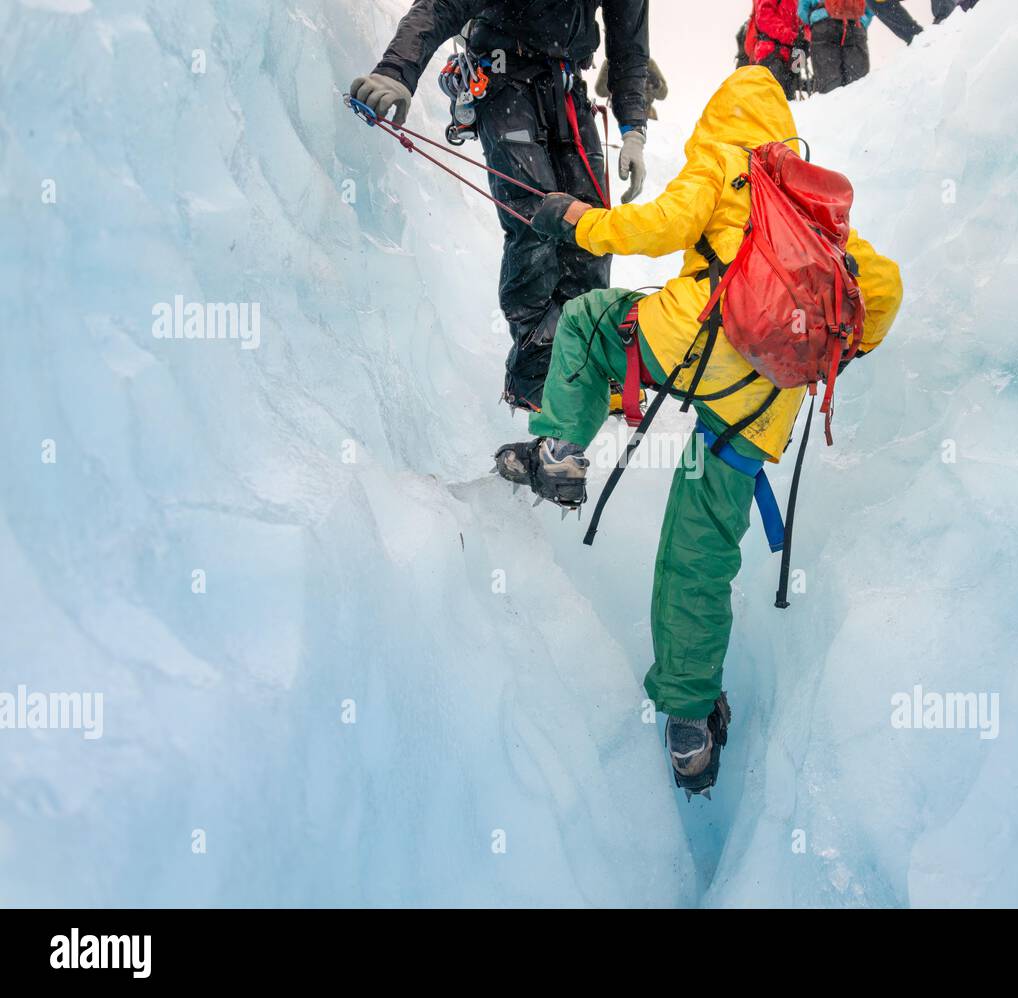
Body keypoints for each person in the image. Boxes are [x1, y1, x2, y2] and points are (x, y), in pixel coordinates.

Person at [493, 67, 903, 794]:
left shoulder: (724, 159)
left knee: (591, 322)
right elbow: (881, 290)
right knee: (700, 551)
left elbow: (660, 228)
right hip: (763, 400)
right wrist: (828, 348)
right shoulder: (811, 209)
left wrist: (576, 218)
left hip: (693, 340)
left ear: (722, 111)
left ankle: (558, 449)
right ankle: (689, 726)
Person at [349, 1, 650, 414]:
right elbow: (442, 7)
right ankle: (536, 378)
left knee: (592, 229)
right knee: (538, 221)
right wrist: (395, 72)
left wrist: (633, 129)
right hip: (503, 78)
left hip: (566, 87)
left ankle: (586, 366)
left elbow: (629, 44)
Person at [799, 0, 873, 94]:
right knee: (858, 84)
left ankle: (834, 106)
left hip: (824, 26)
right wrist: (863, 22)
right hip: (855, 25)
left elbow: (802, 11)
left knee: (829, 85)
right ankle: (859, 106)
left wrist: (814, 20)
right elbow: (872, 7)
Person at [745, 0, 807, 100]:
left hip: (787, 58)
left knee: (785, 104)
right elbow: (764, 18)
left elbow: (796, 22)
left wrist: (803, 40)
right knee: (773, 103)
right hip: (772, 56)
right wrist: (793, 37)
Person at [595, 57, 667, 120]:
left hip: (646, 114)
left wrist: (657, 83)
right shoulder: (611, 62)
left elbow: (663, 94)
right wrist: (614, 80)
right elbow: (600, 90)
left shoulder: (648, 63)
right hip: (619, 115)